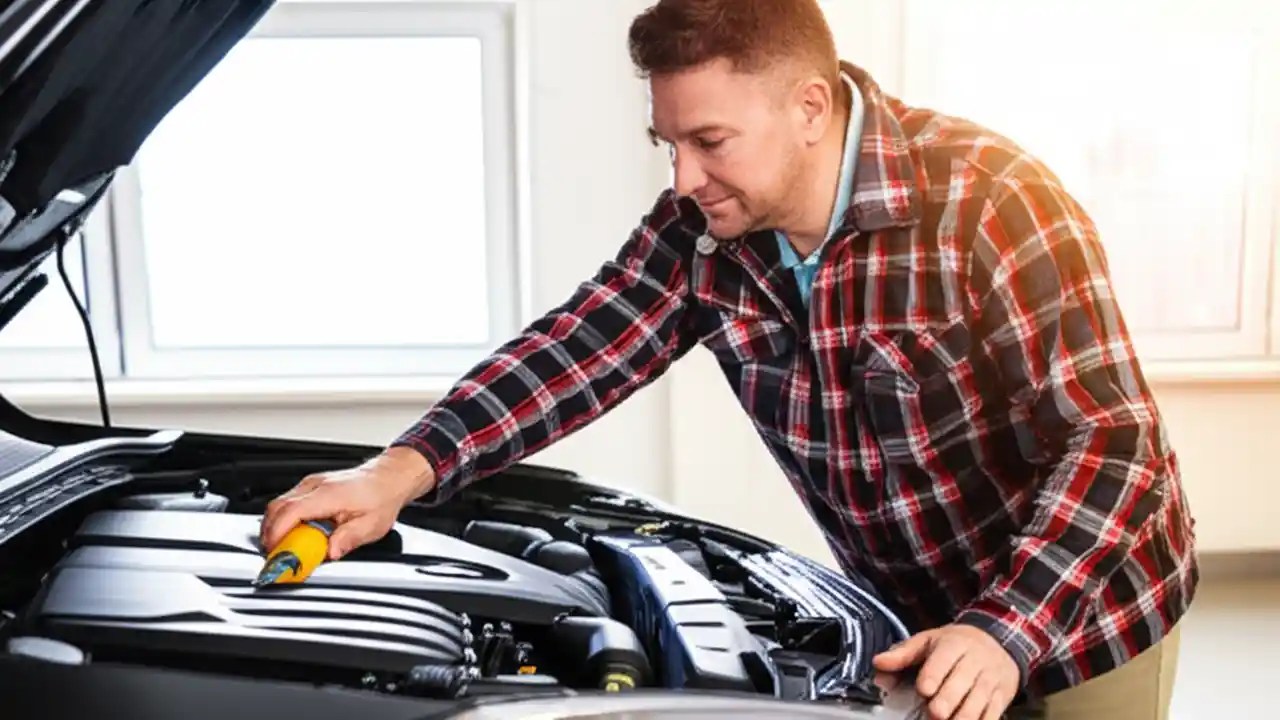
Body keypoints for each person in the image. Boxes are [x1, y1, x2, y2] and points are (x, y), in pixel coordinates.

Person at [259, 1, 1198, 718]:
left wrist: (1009, 629)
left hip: (1080, 609)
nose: (682, 179)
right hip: (909, 610)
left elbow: (1113, 445)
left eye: (709, 142)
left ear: (809, 107)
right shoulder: (707, 233)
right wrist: (395, 472)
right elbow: (579, 347)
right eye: (667, 143)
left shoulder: (993, 201)